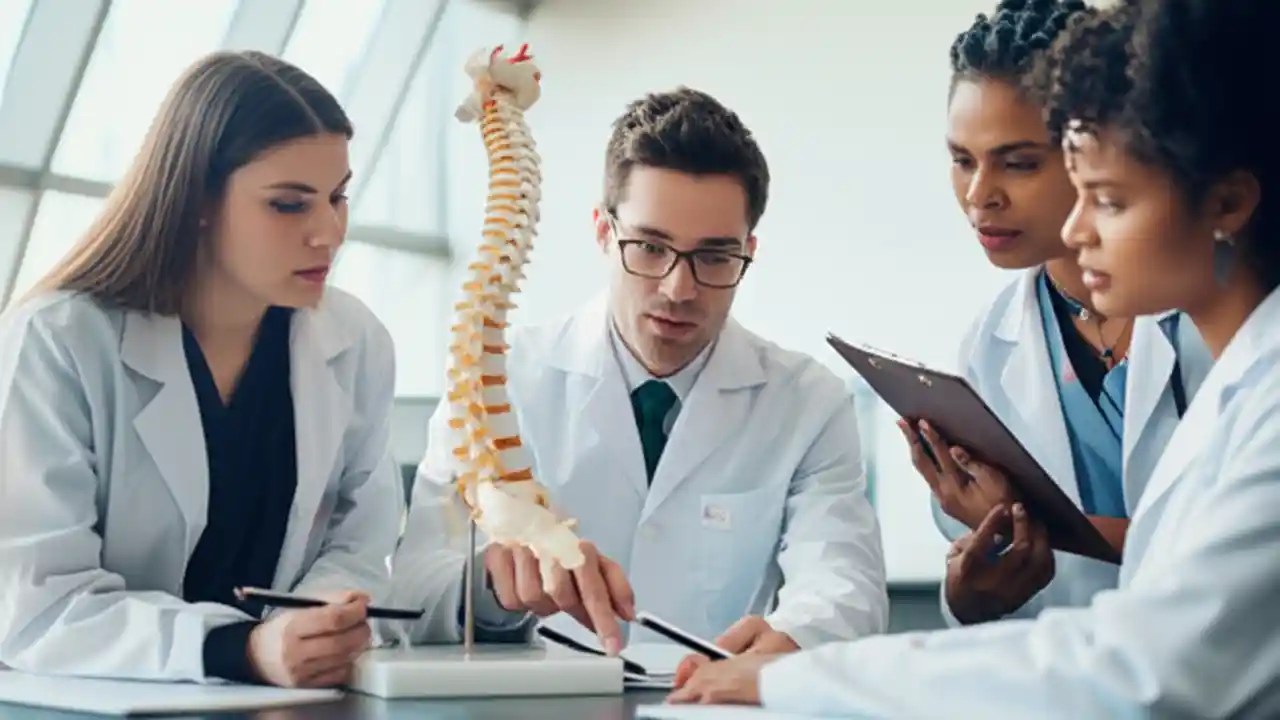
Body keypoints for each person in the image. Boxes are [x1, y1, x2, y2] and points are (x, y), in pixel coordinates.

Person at [670, 1, 1280, 715]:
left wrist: (797, 681)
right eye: (960, 160)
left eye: (1106, 197)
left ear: (1230, 201)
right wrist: (977, 584)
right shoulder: (1004, 346)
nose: (1076, 228)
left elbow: (1150, 666)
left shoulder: (1247, 381)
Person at [388, 87, 888, 658]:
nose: (679, 289)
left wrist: (795, 637)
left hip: (711, 704)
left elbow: (844, 582)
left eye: (715, 257)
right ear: (604, 231)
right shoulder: (494, 382)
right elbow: (408, 596)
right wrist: (490, 585)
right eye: (650, 248)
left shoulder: (808, 403)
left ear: (749, 252)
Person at [0, 51, 404, 688]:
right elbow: (36, 606)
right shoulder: (59, 341)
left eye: (338, 196)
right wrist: (240, 648)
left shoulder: (353, 342)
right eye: (288, 205)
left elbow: (362, 542)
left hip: (294, 700)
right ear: (197, 199)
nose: (329, 232)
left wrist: (320, 625)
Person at [904, 0, 1211, 627]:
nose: (978, 194)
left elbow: (1239, 538)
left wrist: (1033, 516)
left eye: (1019, 163)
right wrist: (970, 596)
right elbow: (988, 587)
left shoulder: (1215, 318)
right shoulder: (990, 344)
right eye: (962, 159)